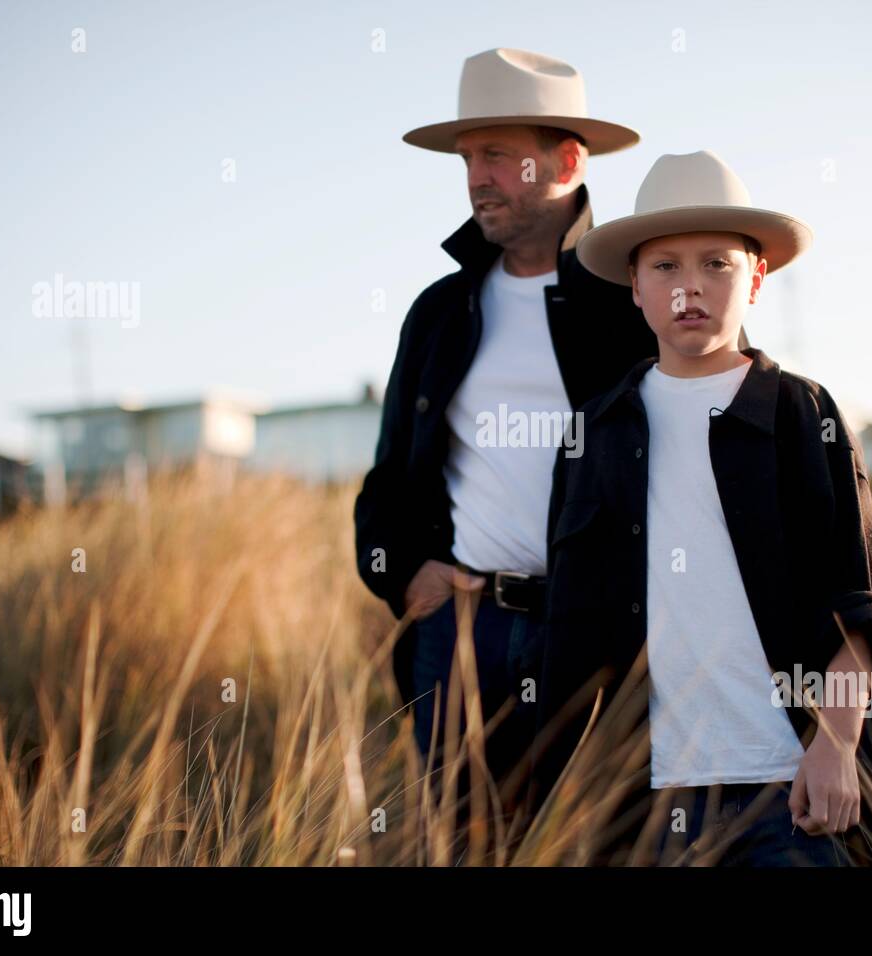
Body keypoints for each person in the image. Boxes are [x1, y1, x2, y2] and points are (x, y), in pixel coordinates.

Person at [532, 150, 872, 866]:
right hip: (636, 804)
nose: (689, 287)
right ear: (635, 288)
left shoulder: (804, 412)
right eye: (665, 267)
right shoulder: (594, 432)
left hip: (786, 788)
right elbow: (567, 629)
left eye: (716, 264)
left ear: (757, 278)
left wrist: (834, 748)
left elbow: (859, 604)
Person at [353, 48, 657, 841]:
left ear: (564, 159)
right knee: (465, 848)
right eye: (467, 159)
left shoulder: (640, 299)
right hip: (462, 632)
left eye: (496, 154)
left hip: (597, 633)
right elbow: (388, 475)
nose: (476, 177)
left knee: (600, 846)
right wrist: (400, 575)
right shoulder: (439, 312)